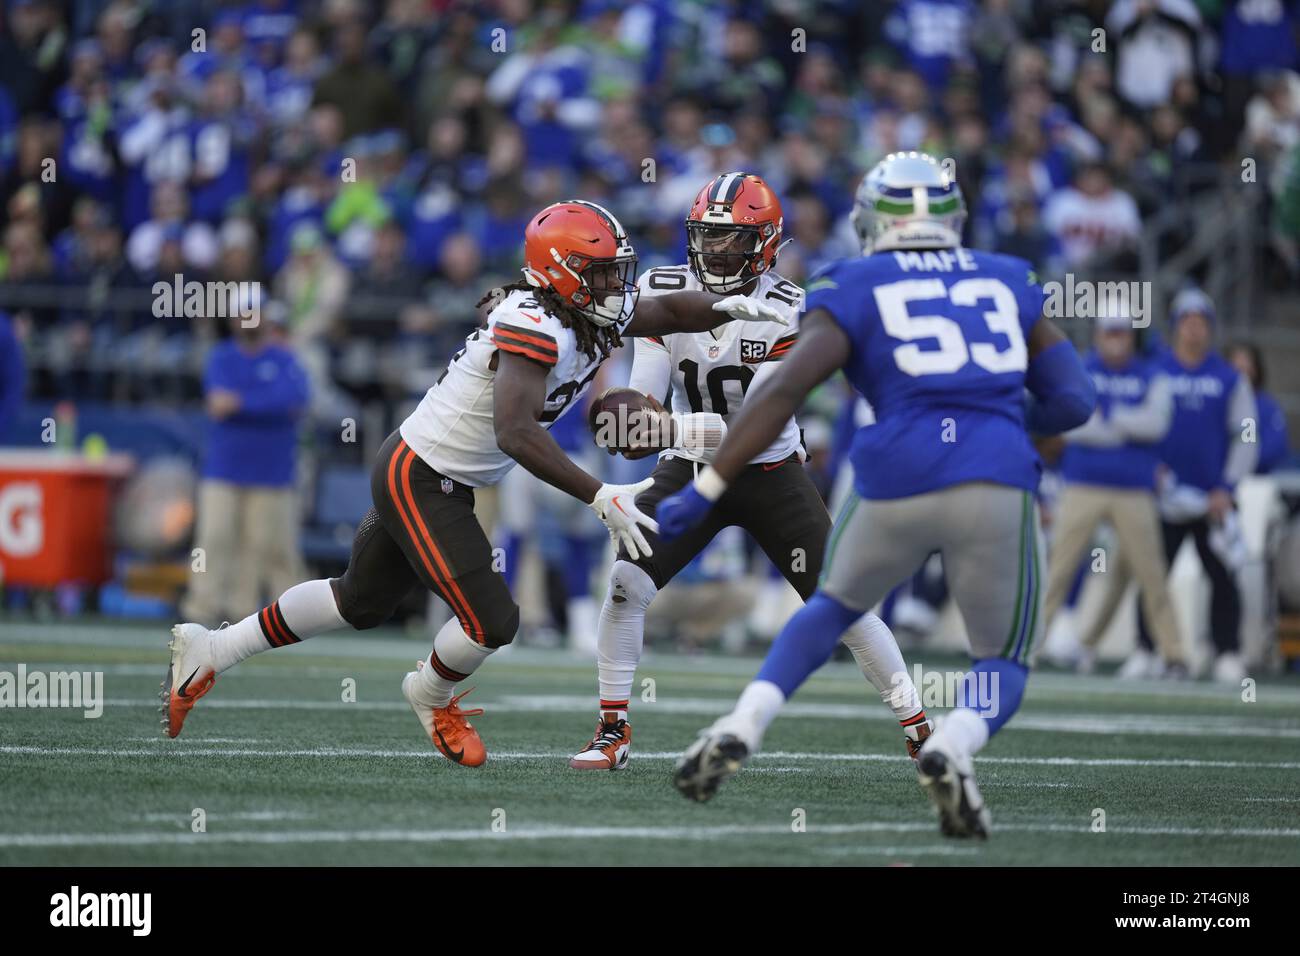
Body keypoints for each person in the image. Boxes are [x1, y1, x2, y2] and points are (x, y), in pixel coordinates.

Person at [162, 199, 790, 767]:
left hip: (437, 473)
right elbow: (516, 431)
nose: (615, 286)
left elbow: (670, 307)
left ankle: (210, 650)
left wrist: (732, 306)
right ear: (562, 274)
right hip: (422, 475)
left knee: (358, 600)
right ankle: (430, 693)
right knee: (492, 619)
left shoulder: (585, 306)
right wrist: (599, 495)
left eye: (616, 271)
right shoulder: (534, 323)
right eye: (599, 273)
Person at [657, 152, 1094, 838]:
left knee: (832, 607)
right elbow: (1073, 401)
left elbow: (785, 392)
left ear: (871, 221)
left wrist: (709, 482)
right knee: (1001, 660)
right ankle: (951, 743)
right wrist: (1007, 424)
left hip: (897, 473)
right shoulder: (1007, 277)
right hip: (995, 476)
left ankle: (744, 721)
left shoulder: (853, 282)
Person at [568, 173, 930, 773]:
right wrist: (632, 420)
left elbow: (757, 421)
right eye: (706, 237)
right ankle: (613, 729)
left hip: (770, 470)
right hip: (687, 468)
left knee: (843, 604)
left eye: (729, 239)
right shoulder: (664, 292)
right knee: (626, 586)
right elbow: (643, 395)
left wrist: (665, 430)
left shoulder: (790, 310)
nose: (713, 251)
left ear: (763, 243)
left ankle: (920, 728)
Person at [1040, 308, 1184, 676]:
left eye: (1122, 332)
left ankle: (1174, 654)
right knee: (1058, 569)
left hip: (1134, 489)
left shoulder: (1152, 372)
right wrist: (1125, 424)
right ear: (1098, 334)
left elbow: (1156, 425)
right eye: (1110, 332)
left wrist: (1109, 415)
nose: (1116, 339)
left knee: (1151, 574)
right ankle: (1029, 649)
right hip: (1083, 483)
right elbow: (1072, 425)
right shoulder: (1080, 368)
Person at [1124, 289, 1258, 683]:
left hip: (1213, 498)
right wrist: (1149, 470)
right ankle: (1147, 649)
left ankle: (1227, 652)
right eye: (1187, 321)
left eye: (1201, 322)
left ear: (1211, 329)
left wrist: (1228, 487)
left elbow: (1247, 434)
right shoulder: (1155, 370)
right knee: (1152, 574)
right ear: (1176, 327)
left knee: (1222, 575)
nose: (1194, 330)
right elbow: (1137, 426)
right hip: (1165, 494)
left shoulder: (1229, 378)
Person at [183, 303, 309, 624]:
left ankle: (244, 611)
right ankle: (203, 607)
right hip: (225, 467)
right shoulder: (222, 356)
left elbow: (293, 400)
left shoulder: (284, 358)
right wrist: (261, 401)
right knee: (214, 536)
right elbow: (218, 403)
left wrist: (240, 401)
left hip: (271, 471)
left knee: (261, 545)